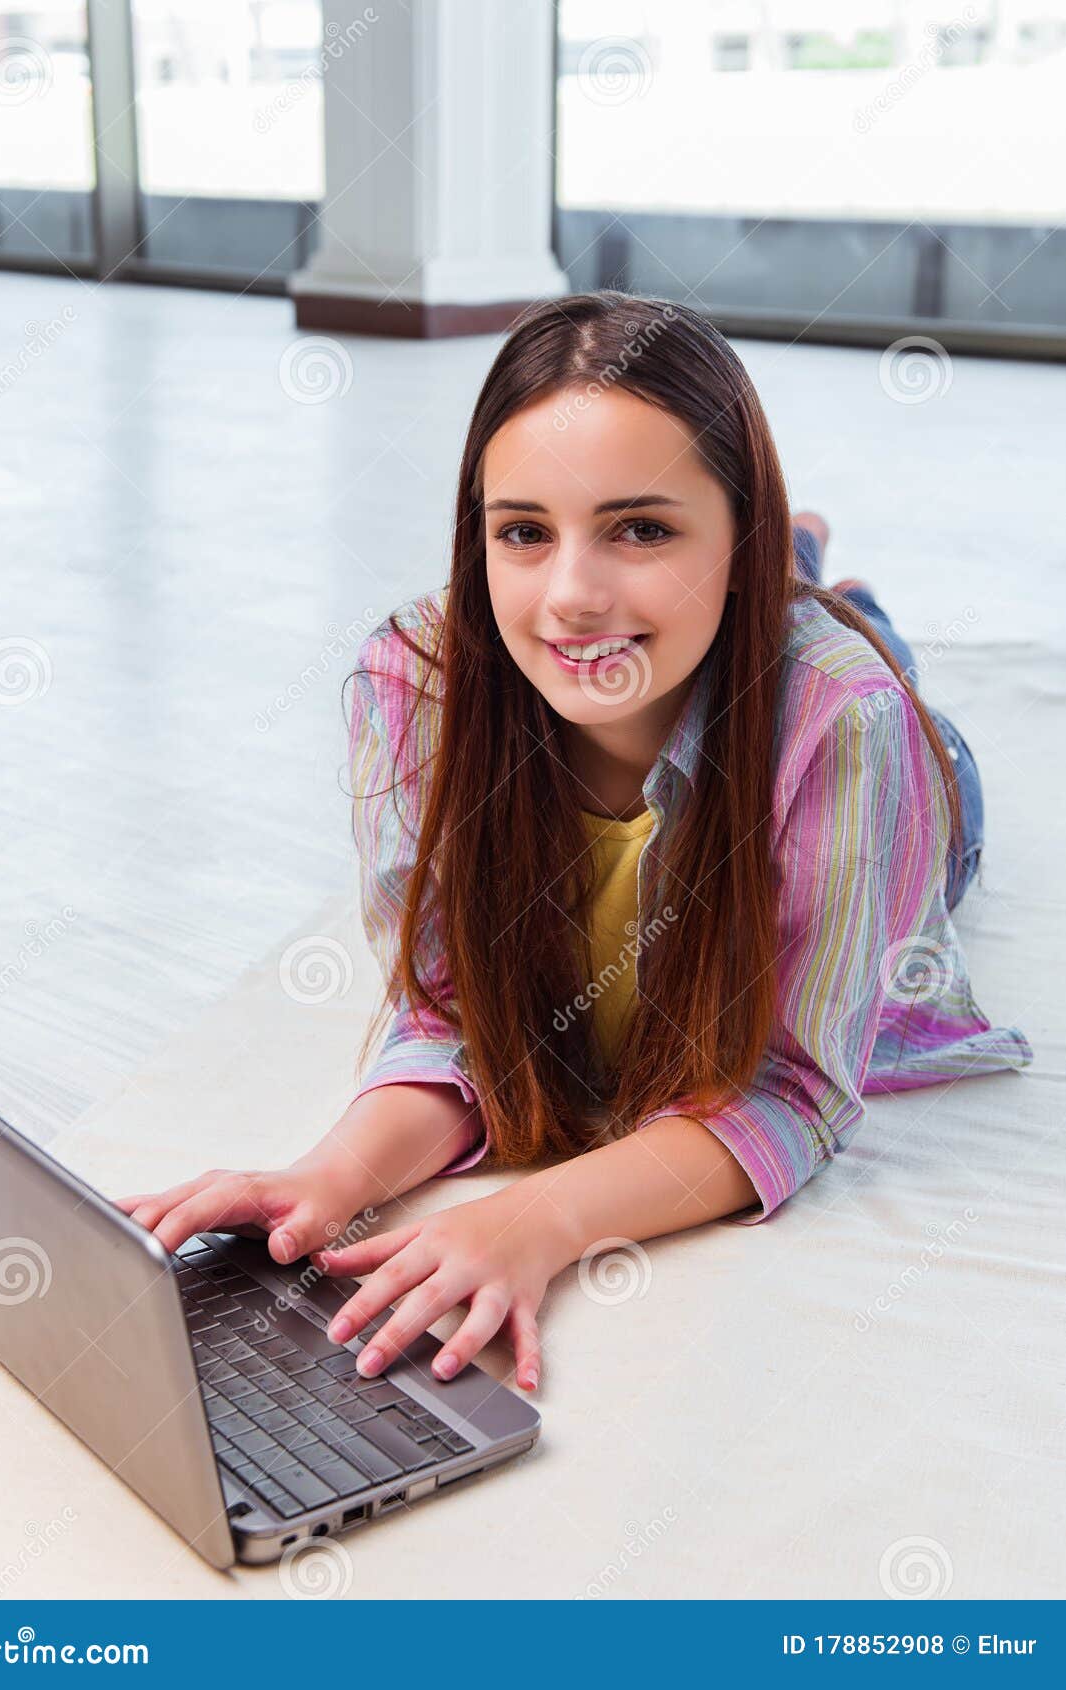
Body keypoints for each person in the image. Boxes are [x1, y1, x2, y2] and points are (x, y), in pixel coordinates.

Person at [115, 293, 1032, 1396]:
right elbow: (453, 1015)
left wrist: (534, 1218)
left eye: (641, 527)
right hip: (732, 617)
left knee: (869, 648)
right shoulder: (415, 680)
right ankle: (804, 564)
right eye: (523, 531)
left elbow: (792, 1087)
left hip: (904, 770)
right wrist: (330, 1173)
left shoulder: (849, 724)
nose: (571, 598)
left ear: (727, 536)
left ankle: (828, 586)